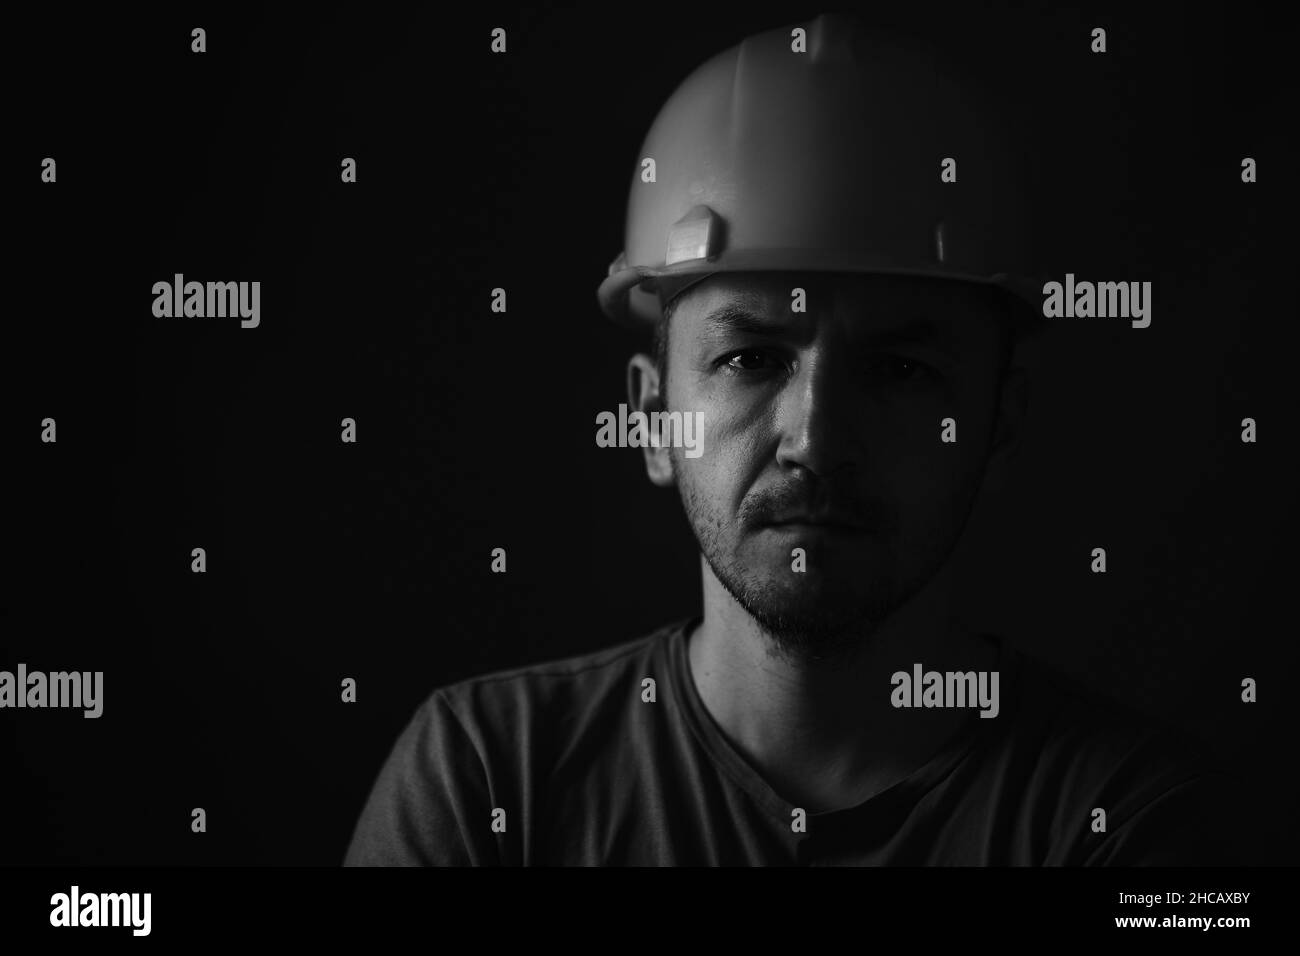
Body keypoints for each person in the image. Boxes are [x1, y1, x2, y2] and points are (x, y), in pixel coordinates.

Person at [344, 13, 1255, 866]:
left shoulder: (1136, 825)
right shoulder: (485, 781)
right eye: (750, 357)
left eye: (898, 371)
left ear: (997, 423)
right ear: (656, 417)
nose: (815, 441)